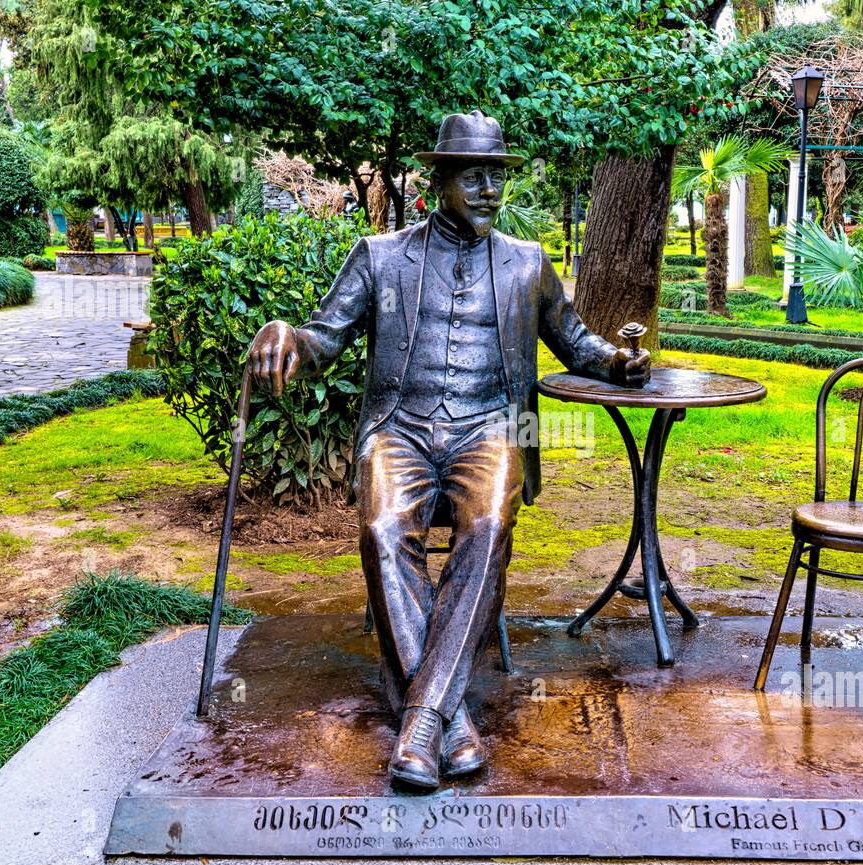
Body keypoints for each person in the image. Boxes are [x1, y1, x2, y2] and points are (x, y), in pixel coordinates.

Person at [247, 110, 650, 788]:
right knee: (380, 526)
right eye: (474, 176)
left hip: (489, 430)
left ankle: (420, 721)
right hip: (399, 430)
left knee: (490, 523)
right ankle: (448, 719)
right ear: (441, 181)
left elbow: (575, 341)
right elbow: (324, 337)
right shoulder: (379, 257)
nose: (490, 189)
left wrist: (620, 360)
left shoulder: (527, 263)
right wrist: (286, 333)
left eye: (497, 176)